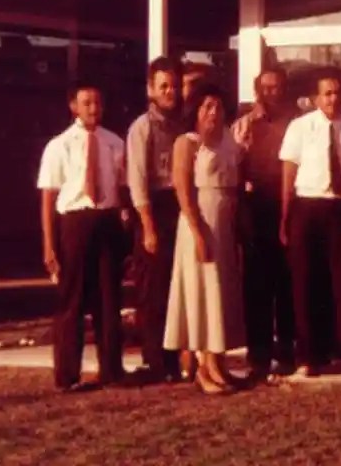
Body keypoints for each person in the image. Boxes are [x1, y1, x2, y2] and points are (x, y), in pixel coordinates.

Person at [36, 81, 127, 392]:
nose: (93, 109)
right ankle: (67, 374)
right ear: (73, 106)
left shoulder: (115, 142)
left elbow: (122, 185)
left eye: (97, 102)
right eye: (86, 103)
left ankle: (112, 370)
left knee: (107, 297)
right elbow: (49, 197)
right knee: (71, 300)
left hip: (106, 219)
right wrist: (49, 244)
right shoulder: (59, 145)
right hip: (73, 221)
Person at [163, 82, 247, 395]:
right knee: (204, 291)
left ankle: (219, 362)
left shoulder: (228, 140)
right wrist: (198, 232)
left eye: (218, 106)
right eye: (206, 106)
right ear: (195, 110)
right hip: (200, 223)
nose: (213, 112)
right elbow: (184, 193)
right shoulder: (187, 143)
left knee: (222, 292)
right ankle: (202, 366)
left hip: (225, 224)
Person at [279, 70, 341, 377]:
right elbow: (289, 173)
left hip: (338, 208)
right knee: (305, 282)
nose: (333, 99)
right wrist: (285, 217)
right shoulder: (300, 127)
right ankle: (307, 355)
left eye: (338, 93)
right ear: (316, 98)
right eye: (327, 93)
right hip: (306, 206)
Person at [232, 67, 298, 382]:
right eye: (266, 88)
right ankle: (258, 355)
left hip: (288, 205)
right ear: (258, 90)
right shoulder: (244, 124)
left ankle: (286, 352)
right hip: (255, 208)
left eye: (277, 87)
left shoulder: (296, 122)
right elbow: (232, 167)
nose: (271, 93)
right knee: (256, 286)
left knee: (286, 283)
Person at [126, 57, 186, 384]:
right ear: (151, 89)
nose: (169, 91)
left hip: (176, 206)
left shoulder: (179, 126)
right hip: (152, 209)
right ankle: (154, 361)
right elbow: (137, 181)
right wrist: (148, 226)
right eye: (163, 86)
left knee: (174, 287)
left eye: (173, 85)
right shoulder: (142, 128)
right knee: (153, 290)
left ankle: (173, 359)